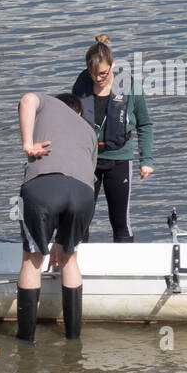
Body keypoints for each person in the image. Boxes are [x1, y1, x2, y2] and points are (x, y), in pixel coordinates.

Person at [17, 91, 97, 341]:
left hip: (43, 188)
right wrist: (61, 242)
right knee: (69, 258)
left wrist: (28, 144)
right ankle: (73, 338)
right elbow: (88, 179)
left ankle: (26, 340)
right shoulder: (90, 132)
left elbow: (27, 99)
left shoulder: (48, 102)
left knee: (33, 259)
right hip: (83, 195)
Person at [71, 34, 154, 242]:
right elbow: (70, 124)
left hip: (119, 159)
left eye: (102, 73)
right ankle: (75, 266)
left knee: (120, 221)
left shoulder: (131, 87)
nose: (97, 79)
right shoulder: (81, 86)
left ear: (113, 65)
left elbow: (145, 124)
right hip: (88, 161)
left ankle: (126, 267)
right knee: (80, 219)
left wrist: (146, 161)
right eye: (92, 74)